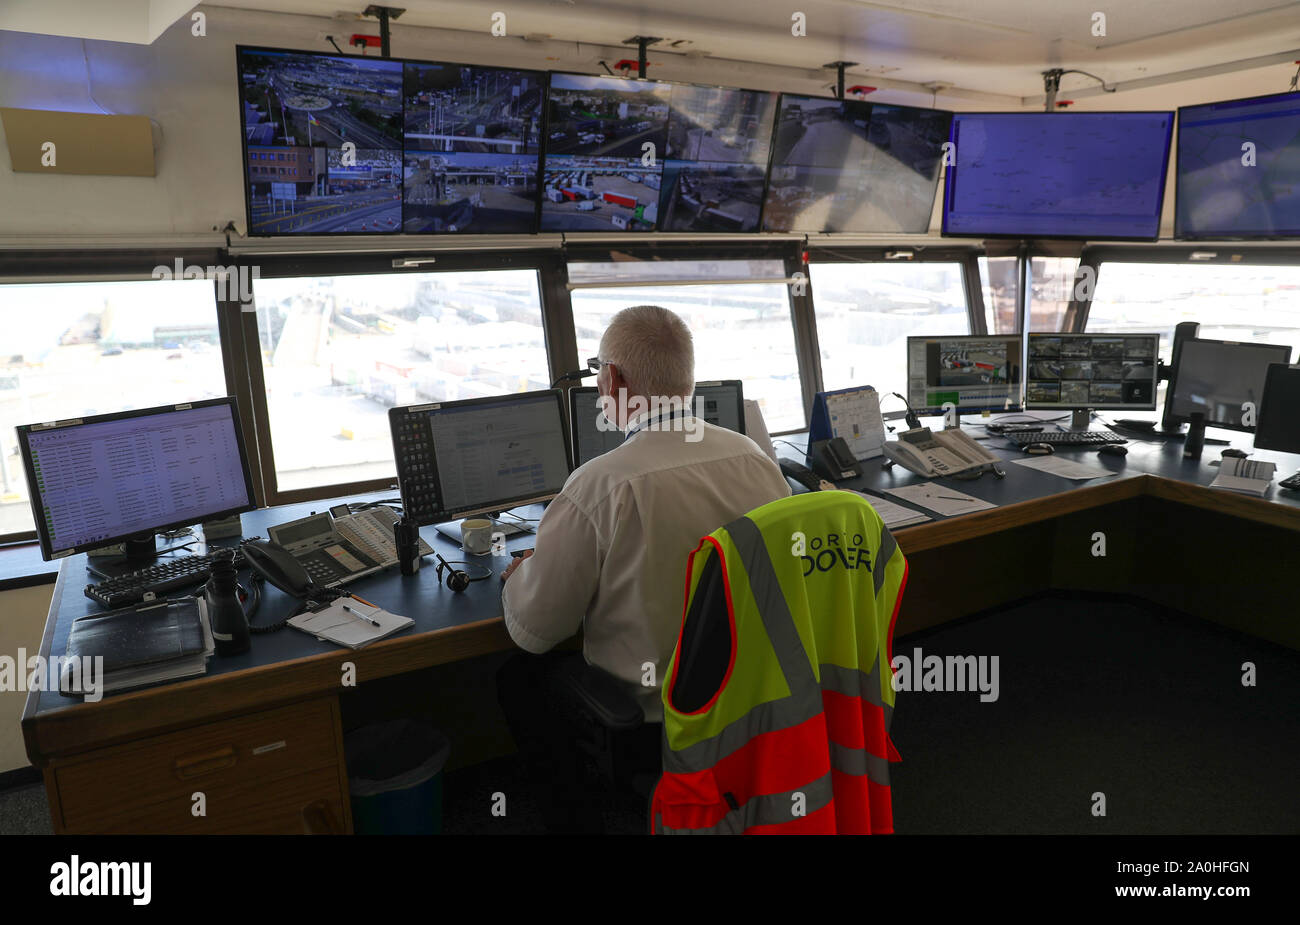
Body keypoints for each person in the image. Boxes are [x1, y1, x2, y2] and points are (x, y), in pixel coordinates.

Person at [496, 304, 791, 832]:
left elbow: (537, 633)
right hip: (749, 703)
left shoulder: (599, 485)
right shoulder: (754, 459)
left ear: (612, 380)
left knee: (519, 677)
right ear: (687, 376)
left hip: (653, 718)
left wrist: (522, 575)